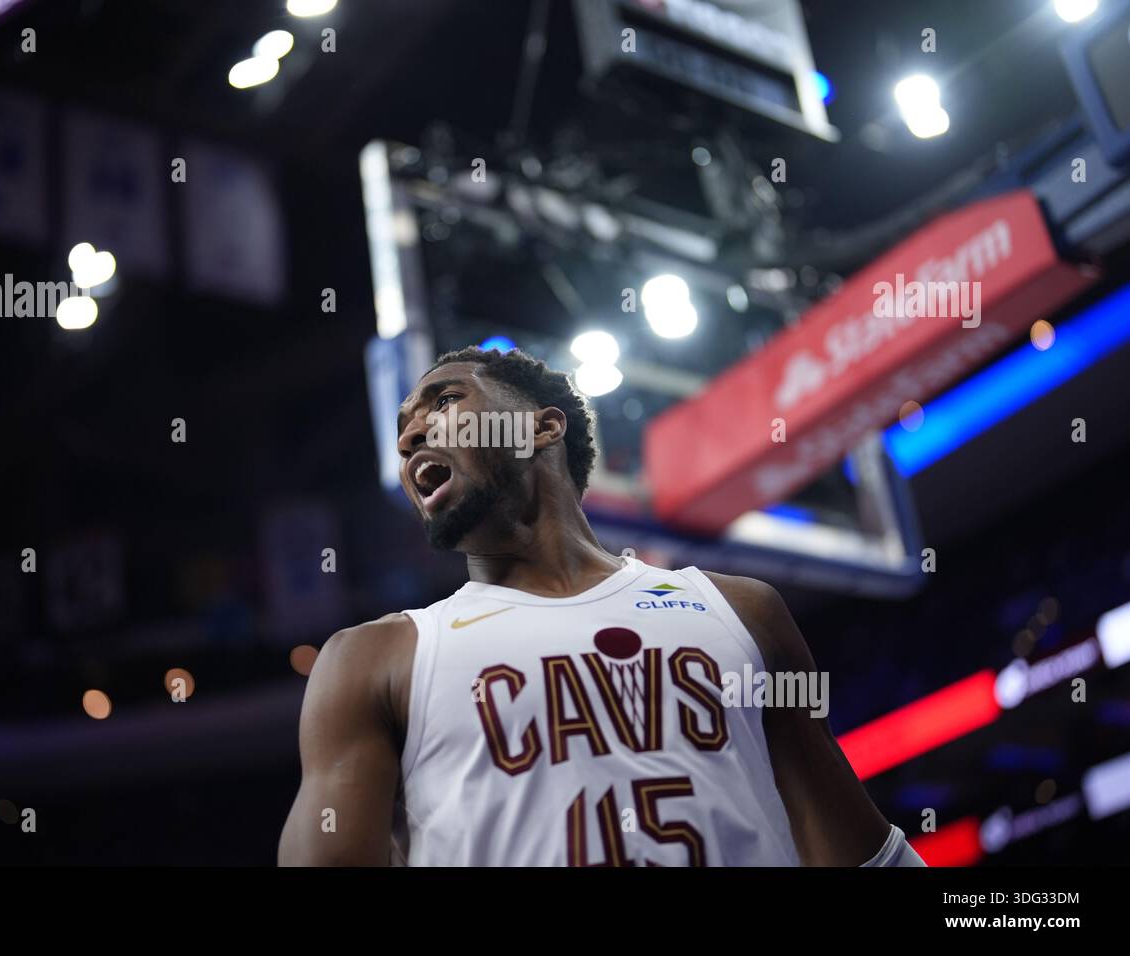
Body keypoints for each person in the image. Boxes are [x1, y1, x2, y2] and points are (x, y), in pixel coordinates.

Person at [278, 346, 924, 867]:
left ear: (543, 424)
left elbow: (859, 851)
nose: (412, 434)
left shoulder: (744, 610)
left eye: (445, 401)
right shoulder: (371, 659)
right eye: (403, 432)